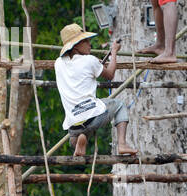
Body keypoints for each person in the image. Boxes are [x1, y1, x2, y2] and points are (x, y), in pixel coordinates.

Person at [55, 23, 137, 158]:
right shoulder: (89, 61)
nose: (89, 44)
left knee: (75, 134)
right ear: (75, 46)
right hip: (93, 116)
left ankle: (78, 142)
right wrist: (114, 52)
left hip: (73, 124)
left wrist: (95, 63)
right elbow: (110, 74)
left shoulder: (58, 63)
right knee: (119, 105)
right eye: (86, 41)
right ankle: (122, 144)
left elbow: (80, 67)